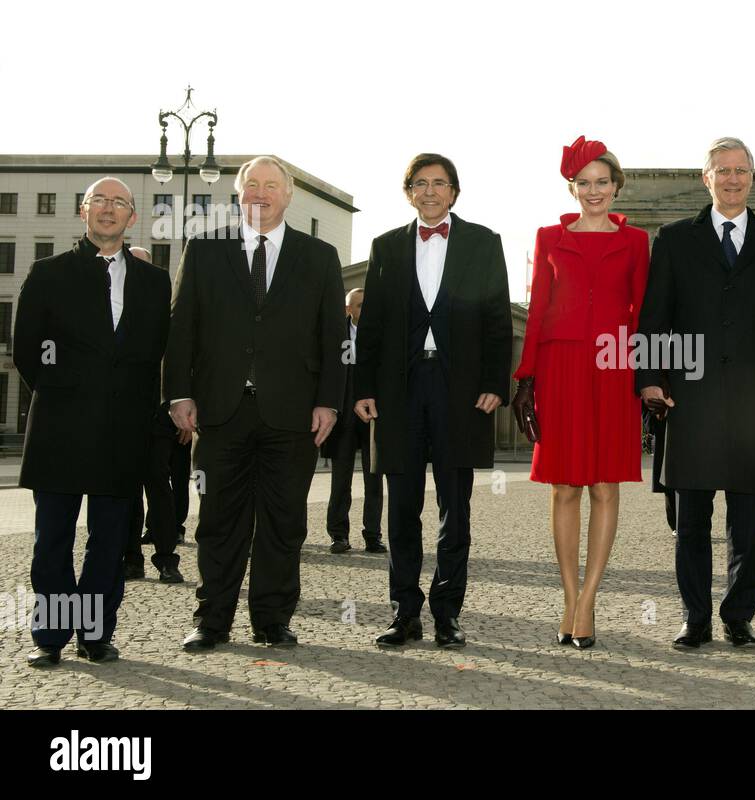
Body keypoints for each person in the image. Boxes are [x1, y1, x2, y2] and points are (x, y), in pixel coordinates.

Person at [167, 156, 346, 651]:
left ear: (289, 196)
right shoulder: (205, 249)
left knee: (283, 522)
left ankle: (272, 620)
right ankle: (211, 621)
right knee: (218, 521)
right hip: (219, 412)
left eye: (271, 186)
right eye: (252, 186)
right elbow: (181, 327)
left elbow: (333, 337)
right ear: (238, 193)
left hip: (292, 414)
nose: (260, 194)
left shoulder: (319, 256)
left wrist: (329, 401)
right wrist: (179, 393)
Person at [636, 137, 755, 650]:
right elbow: (654, 316)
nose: (732, 179)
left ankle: (739, 615)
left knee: (747, 520)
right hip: (692, 399)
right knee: (692, 521)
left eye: (741, 171)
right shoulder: (674, 239)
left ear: (753, 178)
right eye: (722, 171)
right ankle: (695, 616)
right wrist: (651, 379)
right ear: (706, 178)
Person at [354, 153, 512, 649]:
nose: (429, 191)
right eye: (419, 184)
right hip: (398, 394)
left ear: (454, 192)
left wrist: (494, 382)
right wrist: (363, 388)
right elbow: (372, 325)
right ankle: (404, 613)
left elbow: (496, 319)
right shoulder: (384, 248)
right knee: (400, 510)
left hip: (461, 393)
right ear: (408, 193)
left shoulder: (484, 243)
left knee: (454, 509)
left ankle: (447, 613)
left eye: (439, 183)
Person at [14, 178, 170, 666]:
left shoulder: (154, 282)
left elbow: (155, 356)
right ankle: (52, 635)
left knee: (110, 541)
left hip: (124, 433)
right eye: (98, 201)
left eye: (119, 202)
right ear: (83, 212)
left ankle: (95, 633)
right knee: (53, 539)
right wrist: (67, 392)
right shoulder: (48, 273)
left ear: (132, 218)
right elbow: (26, 350)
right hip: (60, 428)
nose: (108, 209)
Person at [510, 136, 649, 649]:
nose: (595, 192)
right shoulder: (548, 237)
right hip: (561, 366)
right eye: (585, 183)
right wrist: (526, 379)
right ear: (573, 187)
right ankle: (570, 598)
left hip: (614, 367)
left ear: (616, 186)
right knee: (564, 486)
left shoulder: (636, 242)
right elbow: (538, 304)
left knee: (604, 486)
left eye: (603, 182)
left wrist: (648, 374)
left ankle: (587, 603)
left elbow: (641, 311)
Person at [123, 246, 189, 585]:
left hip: (160, 419)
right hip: (120, 419)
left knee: (158, 488)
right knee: (124, 492)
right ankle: (130, 558)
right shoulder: (114, 310)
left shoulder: (168, 316)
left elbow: (183, 363)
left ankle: (166, 558)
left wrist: (184, 410)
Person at [322, 288, 386, 555]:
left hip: (373, 417)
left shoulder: (382, 334)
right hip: (344, 418)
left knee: (374, 479)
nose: (365, 310)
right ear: (349, 309)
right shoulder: (337, 335)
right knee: (341, 480)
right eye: (360, 305)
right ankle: (339, 535)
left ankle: (373, 535)